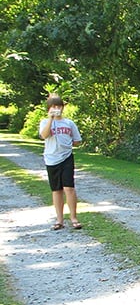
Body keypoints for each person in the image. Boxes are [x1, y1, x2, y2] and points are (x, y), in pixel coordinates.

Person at [38, 94, 83, 230]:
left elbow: (77, 141)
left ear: (62, 108)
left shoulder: (69, 123)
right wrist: (51, 120)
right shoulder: (45, 123)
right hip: (51, 159)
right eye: (53, 107)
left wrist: (69, 143)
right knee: (56, 190)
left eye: (58, 106)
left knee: (69, 187)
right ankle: (59, 220)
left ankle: (74, 218)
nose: (56, 109)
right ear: (48, 109)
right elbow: (44, 136)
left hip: (67, 157)